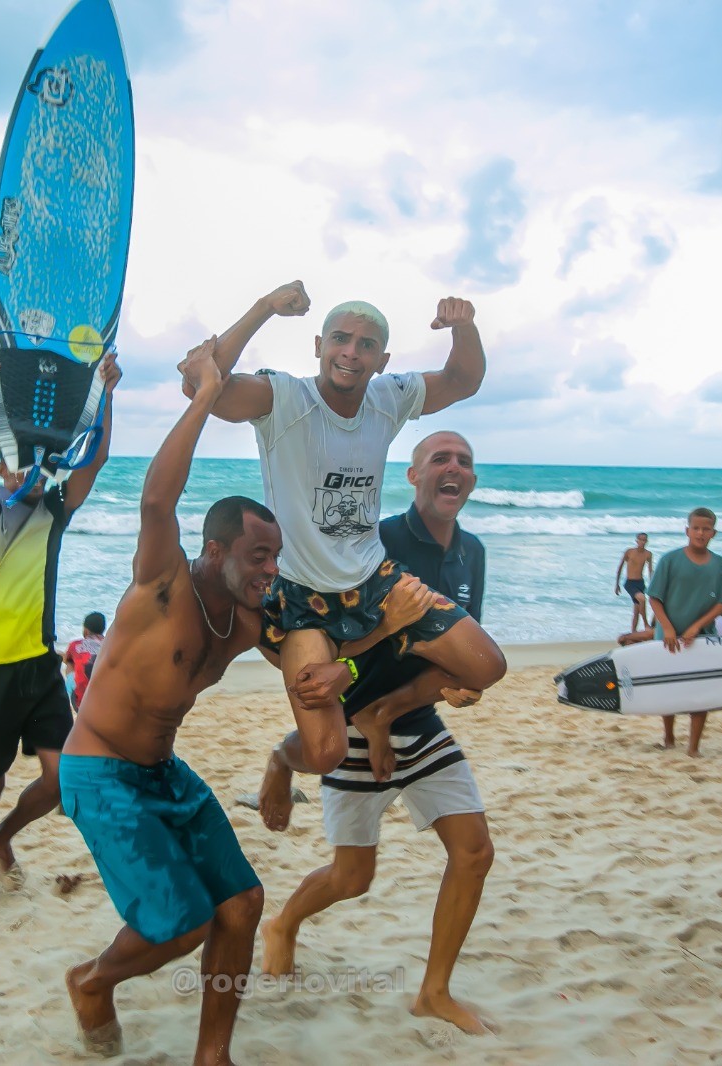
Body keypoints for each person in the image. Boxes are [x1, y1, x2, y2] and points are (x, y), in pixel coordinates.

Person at [59, 338, 349, 1063]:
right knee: (179, 922)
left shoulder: (254, 617)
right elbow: (159, 497)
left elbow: (314, 667)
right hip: (98, 772)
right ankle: (93, 983)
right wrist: (203, 396)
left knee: (242, 904)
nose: (270, 571)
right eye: (259, 557)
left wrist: (339, 673)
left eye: (275, 558)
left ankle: (211, 1055)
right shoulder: (164, 583)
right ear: (216, 550)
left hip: (163, 772)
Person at [190, 281, 506, 826]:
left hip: (374, 581)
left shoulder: (390, 398)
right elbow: (207, 386)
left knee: (486, 667)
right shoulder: (283, 398)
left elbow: (463, 379)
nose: (351, 352)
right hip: (300, 595)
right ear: (318, 344)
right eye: (340, 339)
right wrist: (266, 307)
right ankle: (280, 761)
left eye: (365, 345)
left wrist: (465, 326)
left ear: (382, 360)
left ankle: (382, 708)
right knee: (325, 752)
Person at [261, 430, 500, 1036]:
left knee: (474, 853)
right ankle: (284, 922)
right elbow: (327, 640)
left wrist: (461, 685)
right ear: (413, 476)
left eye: (464, 462)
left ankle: (434, 992)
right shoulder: (376, 543)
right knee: (352, 878)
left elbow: (463, 648)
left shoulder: (471, 552)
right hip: (353, 722)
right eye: (439, 459)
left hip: (417, 719)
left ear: (472, 481)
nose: (454, 469)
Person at [0, 344, 120, 902]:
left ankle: (3, 838)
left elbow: (94, 461)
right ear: (5, 467)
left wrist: (105, 397)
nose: (36, 467)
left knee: (61, 778)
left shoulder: (54, 513)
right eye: (23, 459)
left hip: (37, 666)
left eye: (46, 458)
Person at [619, 507, 722, 758]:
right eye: (696, 528)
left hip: (702, 637)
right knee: (669, 687)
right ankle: (669, 737)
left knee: (702, 692)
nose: (700, 533)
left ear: (713, 533)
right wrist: (667, 627)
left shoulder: (720, 565)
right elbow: (655, 597)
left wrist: (695, 626)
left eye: (706, 529)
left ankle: (693, 748)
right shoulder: (671, 560)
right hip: (667, 637)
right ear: (687, 530)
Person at [61, 611, 105, 711]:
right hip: (107, 702)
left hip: (80, 704)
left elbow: (66, 659)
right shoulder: (110, 645)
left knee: (69, 662)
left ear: (85, 630)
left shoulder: (76, 645)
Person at [614, 532, 654, 631]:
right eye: (640, 540)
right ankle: (646, 625)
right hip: (630, 583)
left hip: (640, 583)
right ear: (637, 541)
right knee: (642, 599)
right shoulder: (629, 552)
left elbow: (650, 571)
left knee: (636, 611)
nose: (642, 542)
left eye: (644, 540)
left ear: (647, 541)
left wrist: (653, 585)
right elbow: (620, 567)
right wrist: (617, 584)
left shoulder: (648, 554)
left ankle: (633, 633)